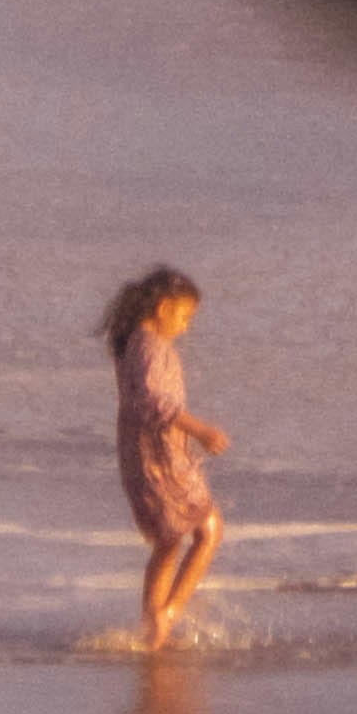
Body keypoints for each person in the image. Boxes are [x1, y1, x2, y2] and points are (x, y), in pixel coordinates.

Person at [102, 263, 231, 651]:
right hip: (158, 457)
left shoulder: (139, 343)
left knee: (170, 538)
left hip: (149, 455)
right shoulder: (149, 347)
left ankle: (153, 626)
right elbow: (154, 404)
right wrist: (201, 430)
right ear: (162, 308)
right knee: (208, 530)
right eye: (185, 316)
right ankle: (167, 615)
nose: (187, 327)